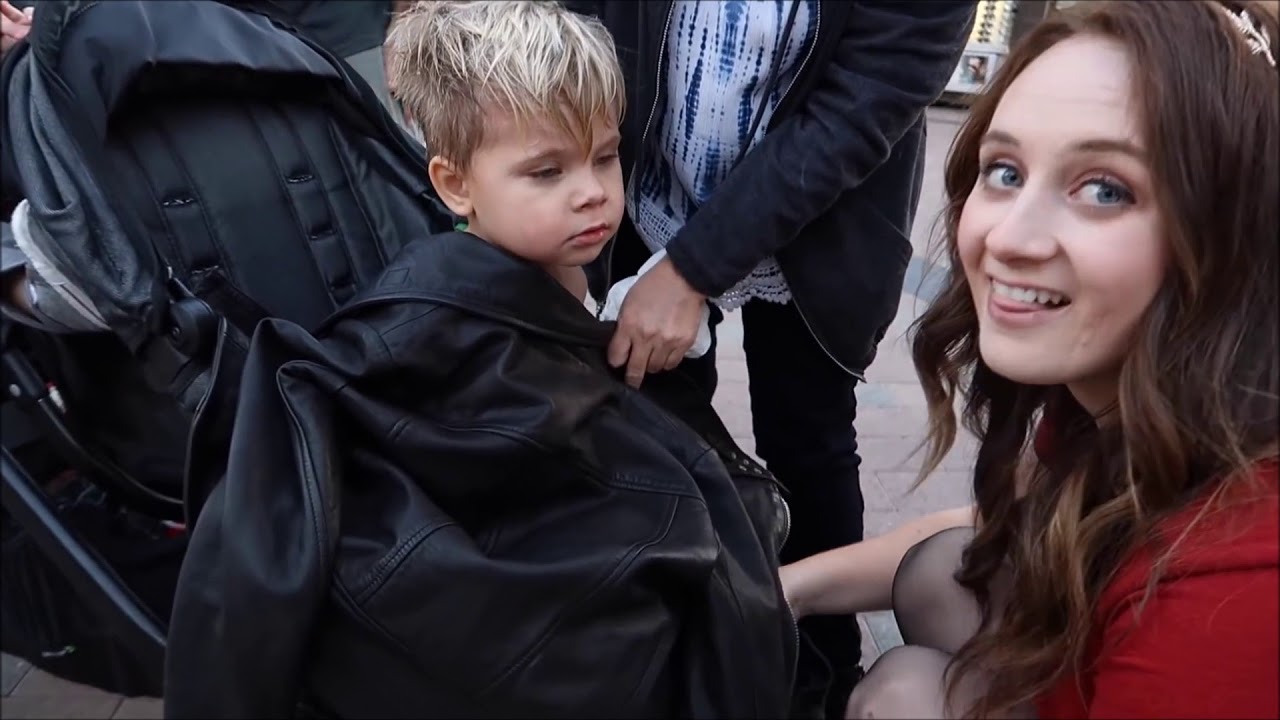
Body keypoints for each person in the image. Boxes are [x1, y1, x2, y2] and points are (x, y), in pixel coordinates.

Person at [780, 1, 1279, 717]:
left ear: (1232, 230)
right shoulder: (1115, 400)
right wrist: (787, 587)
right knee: (942, 579)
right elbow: (1004, 519)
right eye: (1005, 170)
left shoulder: (1235, 582)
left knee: (903, 694)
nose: (1010, 238)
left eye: (1104, 189)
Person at [562, 2, 978, 715]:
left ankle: (814, 675)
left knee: (808, 439)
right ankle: (673, 633)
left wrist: (691, 271)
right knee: (647, 416)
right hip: (649, 179)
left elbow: (855, 112)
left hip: (821, 218)